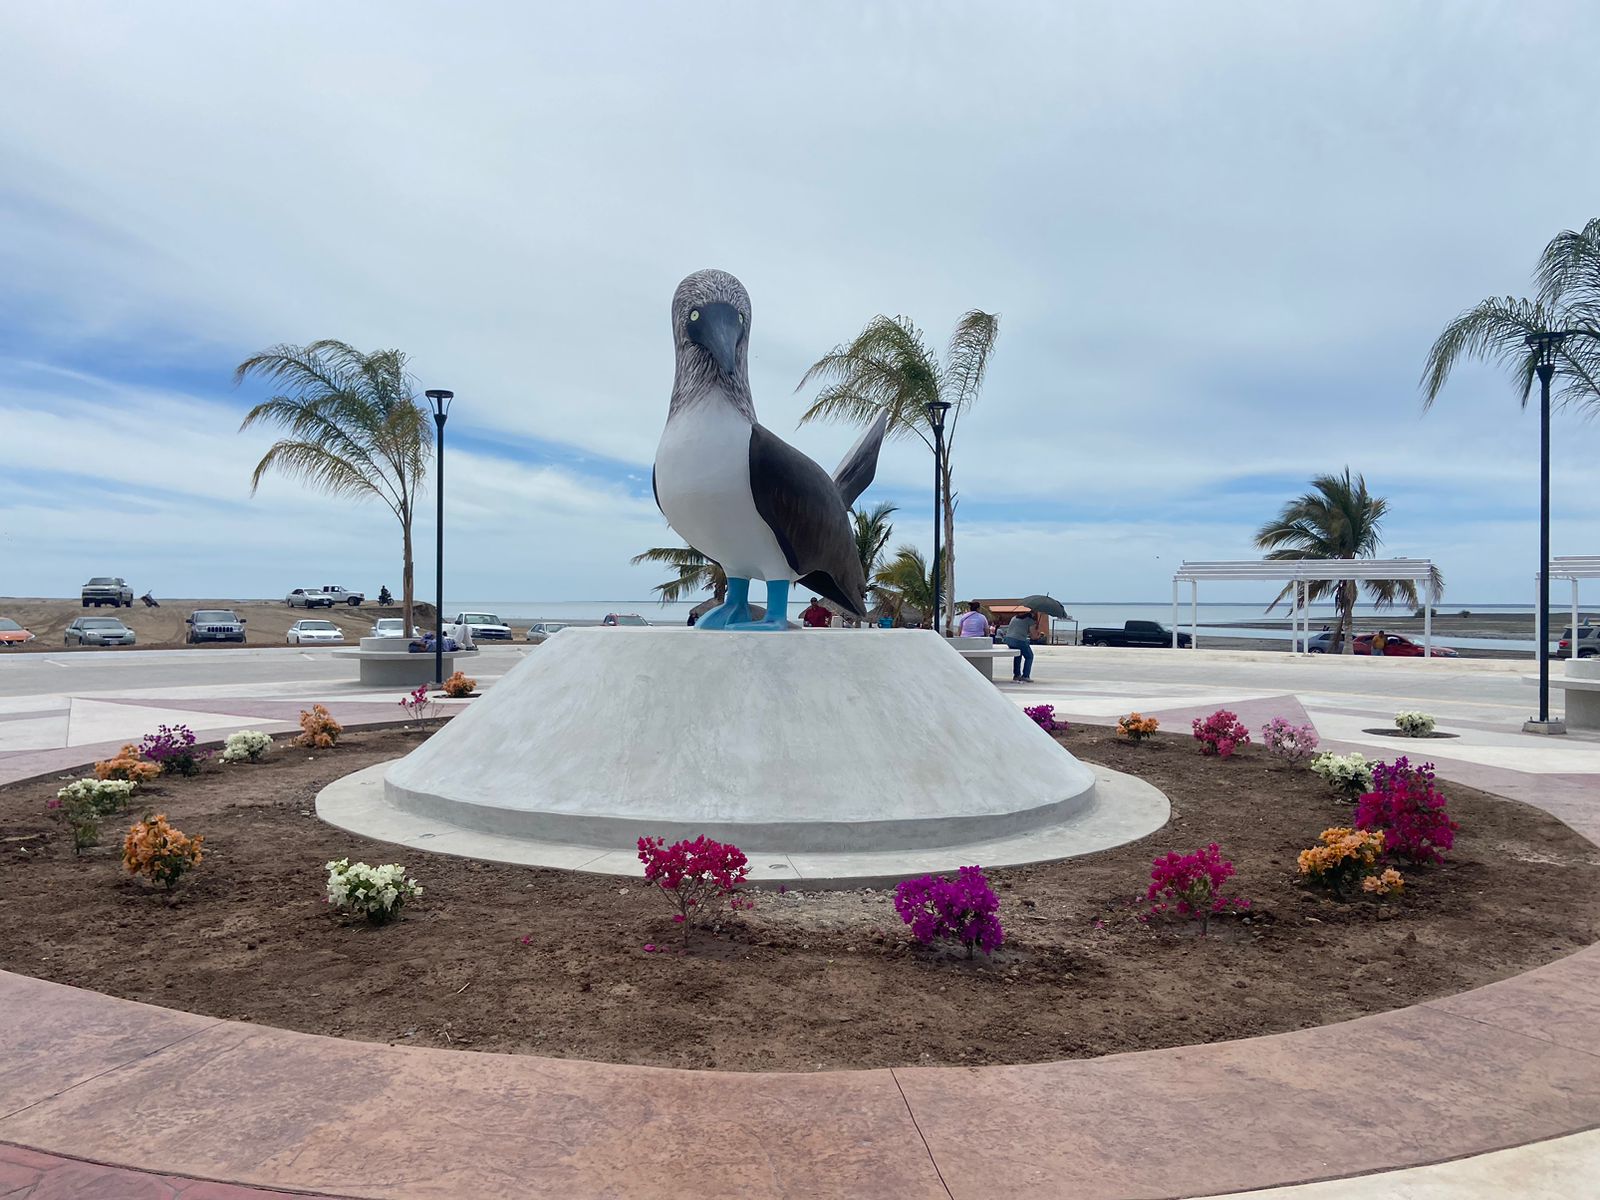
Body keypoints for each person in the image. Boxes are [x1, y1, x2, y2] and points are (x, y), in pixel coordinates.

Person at [1002, 609, 1036, 682]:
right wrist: (1038, 634)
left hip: (1008, 639)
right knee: (1029, 656)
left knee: (1018, 655)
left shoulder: (1014, 617)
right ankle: (1025, 676)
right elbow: (1033, 636)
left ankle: (1017, 675)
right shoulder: (1030, 620)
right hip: (1019, 640)